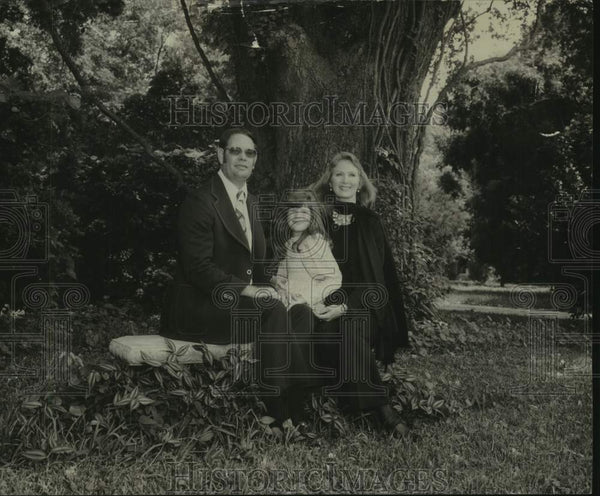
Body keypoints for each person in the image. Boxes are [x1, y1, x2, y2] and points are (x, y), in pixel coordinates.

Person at [160, 127, 314, 424]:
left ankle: (298, 396)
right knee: (271, 310)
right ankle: (279, 410)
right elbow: (198, 269)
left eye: (250, 153)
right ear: (220, 155)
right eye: (235, 151)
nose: (243, 158)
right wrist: (251, 291)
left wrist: (276, 286)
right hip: (199, 308)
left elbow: (257, 265)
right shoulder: (201, 201)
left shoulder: (251, 203)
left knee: (300, 312)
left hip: (234, 305)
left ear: (255, 162)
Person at [310, 151, 411, 436]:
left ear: (360, 183)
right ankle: (378, 408)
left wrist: (346, 307)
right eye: (339, 174)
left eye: (351, 175)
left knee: (349, 328)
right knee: (331, 335)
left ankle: (381, 411)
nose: (345, 179)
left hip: (365, 306)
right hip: (323, 304)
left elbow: (376, 281)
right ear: (330, 181)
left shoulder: (370, 221)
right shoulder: (317, 220)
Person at [271, 190, 342, 312]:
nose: (298, 216)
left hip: (307, 308)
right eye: (293, 211)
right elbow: (282, 278)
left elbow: (334, 279)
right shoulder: (289, 243)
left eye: (304, 212)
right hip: (288, 306)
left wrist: (306, 297)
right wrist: (281, 290)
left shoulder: (314, 241)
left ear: (312, 216)